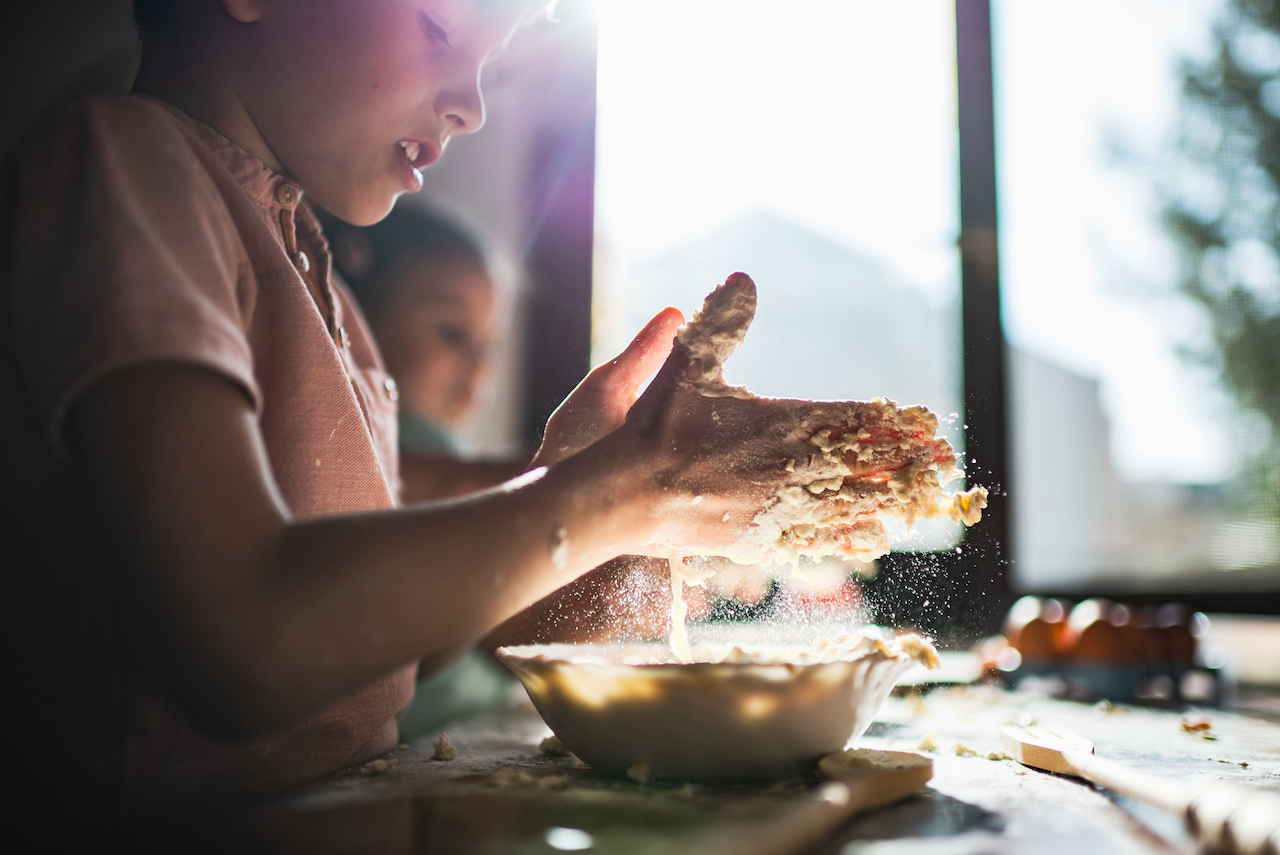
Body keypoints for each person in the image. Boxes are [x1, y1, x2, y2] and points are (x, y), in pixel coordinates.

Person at [0, 0, 817, 840]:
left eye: (488, 67)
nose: (473, 106)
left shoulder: (341, 317)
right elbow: (244, 644)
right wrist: (610, 495)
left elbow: (382, 656)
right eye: (438, 30)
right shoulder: (126, 161)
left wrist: (562, 477)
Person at [328, 204, 527, 739]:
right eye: (451, 331)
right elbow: (463, 494)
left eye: (488, 345)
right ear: (357, 321)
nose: (480, 363)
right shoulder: (355, 440)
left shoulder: (450, 451)